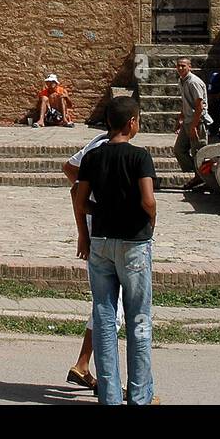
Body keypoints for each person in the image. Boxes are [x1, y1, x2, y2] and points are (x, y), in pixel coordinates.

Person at [73, 96, 157, 405]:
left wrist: (87, 231)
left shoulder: (93, 157)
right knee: (138, 319)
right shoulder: (140, 156)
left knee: (104, 316)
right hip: (134, 243)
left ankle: (108, 396)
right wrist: (151, 219)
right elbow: (148, 200)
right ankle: (139, 395)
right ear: (132, 123)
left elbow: (80, 199)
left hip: (101, 243)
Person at [62, 127, 123, 390]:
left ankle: (83, 364)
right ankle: (109, 382)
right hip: (106, 235)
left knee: (106, 303)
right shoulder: (104, 149)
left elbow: (70, 169)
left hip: (101, 231)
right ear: (131, 122)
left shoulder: (96, 143)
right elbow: (74, 184)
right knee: (111, 309)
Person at [172, 57, 209, 190]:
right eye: (179, 66)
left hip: (197, 122)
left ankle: (203, 178)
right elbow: (185, 102)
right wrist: (180, 119)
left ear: (189, 67)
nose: (180, 68)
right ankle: (199, 175)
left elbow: (199, 107)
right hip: (187, 121)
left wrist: (194, 126)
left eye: (183, 66)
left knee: (199, 152)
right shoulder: (181, 81)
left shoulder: (194, 82)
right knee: (179, 150)